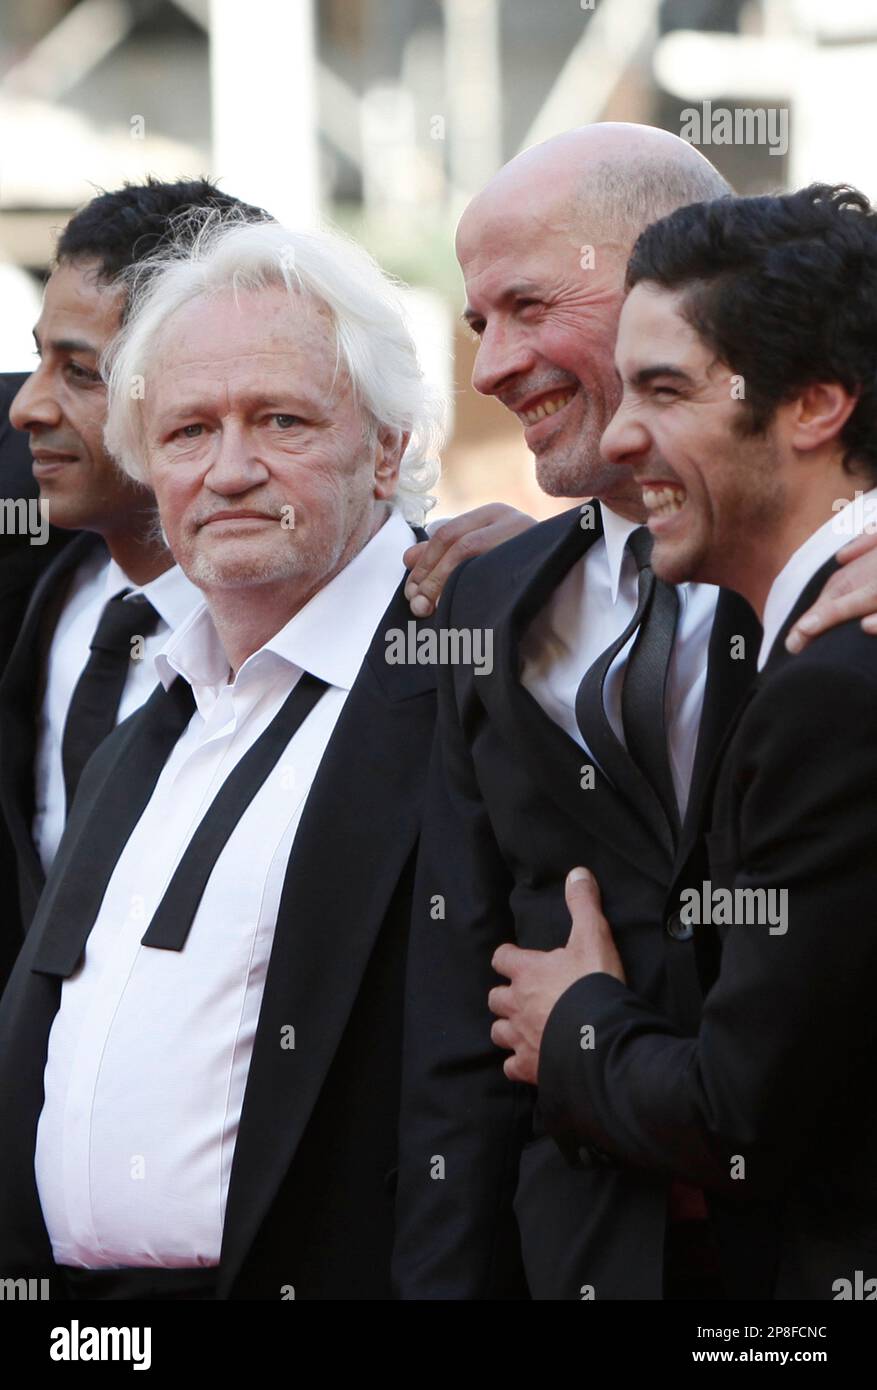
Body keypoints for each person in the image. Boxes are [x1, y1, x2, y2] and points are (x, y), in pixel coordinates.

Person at [393, 124, 877, 1300]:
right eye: (474, 325)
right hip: (591, 1254)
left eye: (526, 304)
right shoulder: (489, 595)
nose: (491, 369)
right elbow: (458, 1012)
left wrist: (583, 1027)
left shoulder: (839, 630)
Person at [0, 214, 458, 1299]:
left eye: (283, 421)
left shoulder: (475, 686)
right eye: (188, 432)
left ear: (386, 445)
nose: (232, 470)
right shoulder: (150, 721)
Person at [0, 179, 530, 986]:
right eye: (192, 428)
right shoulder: (37, 537)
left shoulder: (468, 643)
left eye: (80, 371)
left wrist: (558, 564)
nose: (30, 406)